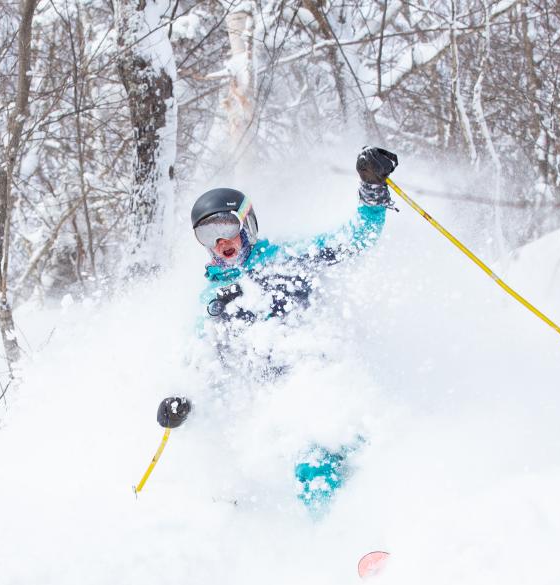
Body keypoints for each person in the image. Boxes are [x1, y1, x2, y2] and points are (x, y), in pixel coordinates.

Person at [160, 146, 399, 511]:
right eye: (208, 236)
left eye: (226, 228)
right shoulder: (214, 299)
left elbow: (353, 241)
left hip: (326, 373)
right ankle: (341, 536)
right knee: (313, 464)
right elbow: (200, 358)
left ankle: (400, 516)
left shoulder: (288, 259)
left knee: (367, 442)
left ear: (247, 225)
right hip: (282, 399)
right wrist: (180, 400)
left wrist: (372, 190)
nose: (221, 243)